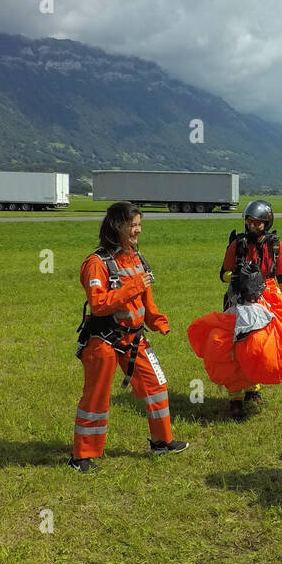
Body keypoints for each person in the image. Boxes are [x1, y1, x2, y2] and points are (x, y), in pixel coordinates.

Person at [70, 201, 187, 471]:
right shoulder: (96, 264)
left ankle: (161, 442)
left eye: (139, 225)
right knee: (96, 399)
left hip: (135, 339)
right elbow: (99, 304)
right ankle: (81, 457)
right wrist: (134, 286)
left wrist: (157, 320)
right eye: (133, 226)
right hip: (104, 341)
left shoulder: (137, 257)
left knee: (156, 386)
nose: (138, 231)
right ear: (117, 226)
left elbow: (146, 298)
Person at [218, 199, 282, 418]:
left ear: (267, 223)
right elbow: (223, 273)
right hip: (238, 302)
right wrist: (238, 274)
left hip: (265, 301)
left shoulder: (275, 246)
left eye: (257, 223)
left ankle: (253, 390)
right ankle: (235, 399)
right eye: (249, 222)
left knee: (260, 347)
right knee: (237, 349)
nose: (252, 226)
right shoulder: (237, 244)